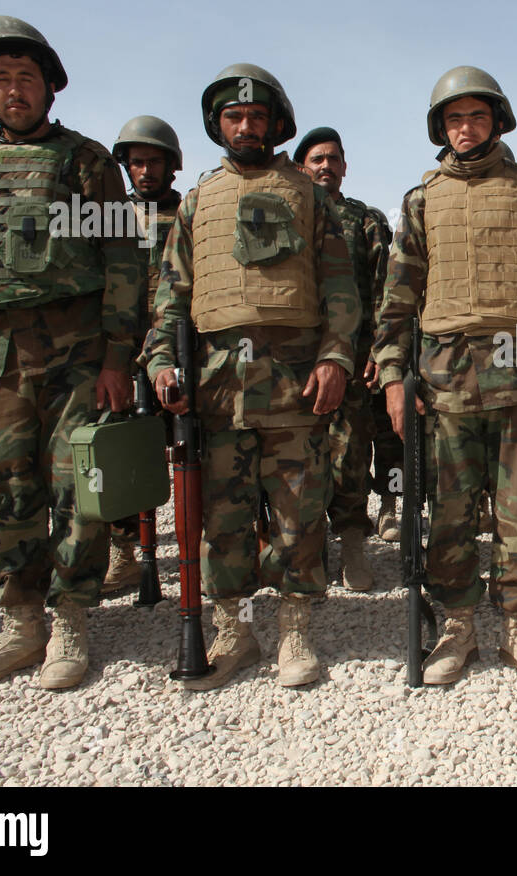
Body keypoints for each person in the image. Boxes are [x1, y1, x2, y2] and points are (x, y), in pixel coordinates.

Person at [0, 15, 144, 689]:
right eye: (1, 79)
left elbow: (121, 260)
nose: (14, 89)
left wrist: (118, 359)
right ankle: (22, 623)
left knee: (80, 486)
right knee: (10, 492)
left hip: (75, 354)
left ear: (49, 88)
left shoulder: (85, 162)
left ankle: (73, 621)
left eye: (26, 77)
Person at [146, 64, 360, 690]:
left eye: (257, 117)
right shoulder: (196, 202)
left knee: (299, 510)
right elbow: (172, 293)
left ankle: (295, 628)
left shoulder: (310, 195)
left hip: (294, 380)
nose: (245, 126)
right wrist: (160, 360)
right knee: (223, 516)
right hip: (214, 386)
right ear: (218, 125)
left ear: (274, 125)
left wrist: (336, 357)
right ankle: (234, 630)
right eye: (234, 117)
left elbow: (341, 288)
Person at [375, 66, 517, 686]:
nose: (467, 129)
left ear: (497, 122)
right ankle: (458, 626)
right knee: (452, 511)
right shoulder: (421, 199)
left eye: (478, 117)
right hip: (446, 381)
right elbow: (399, 296)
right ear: (443, 127)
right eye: (455, 118)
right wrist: (390, 377)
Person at [294, 125, 389, 590]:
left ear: (345, 168)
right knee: (295, 459)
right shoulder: (285, 214)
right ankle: (304, 551)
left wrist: (376, 349)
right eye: (317, 159)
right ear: (301, 168)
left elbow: (384, 290)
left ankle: (353, 541)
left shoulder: (365, 221)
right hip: (290, 358)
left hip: (349, 356)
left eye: (333, 159)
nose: (326, 166)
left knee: (350, 452)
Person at [101, 115, 184, 594]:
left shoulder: (193, 211)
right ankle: (123, 551)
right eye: (136, 163)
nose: (145, 171)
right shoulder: (113, 218)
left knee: (197, 449)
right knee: (125, 454)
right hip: (124, 350)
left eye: (154, 162)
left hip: (178, 346)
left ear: (171, 166)